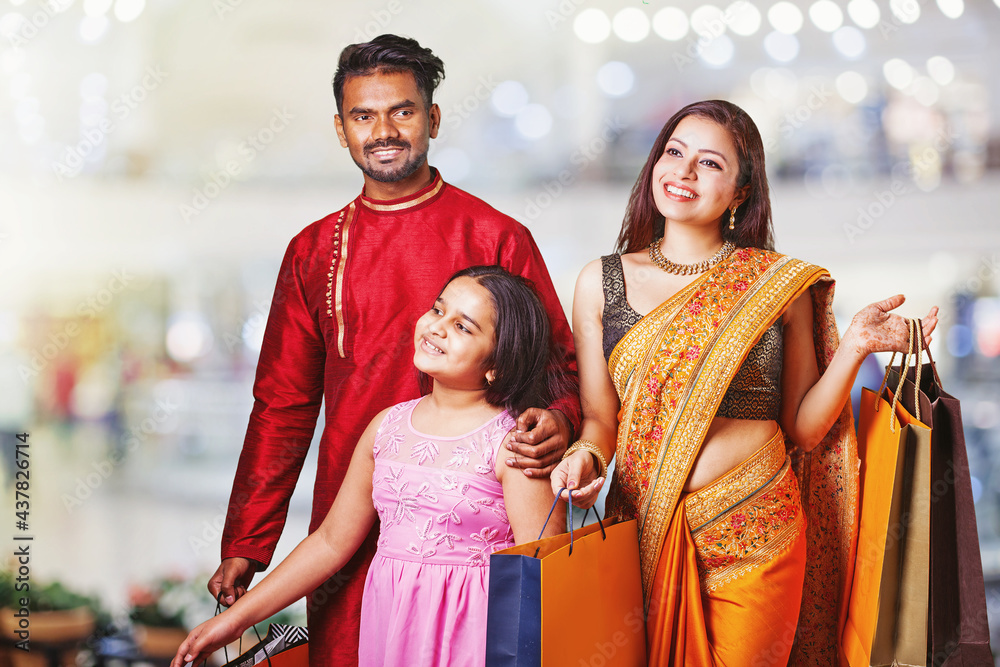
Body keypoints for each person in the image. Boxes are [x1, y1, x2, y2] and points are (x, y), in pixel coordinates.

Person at [210, 35, 580, 666]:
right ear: (341, 128)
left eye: (403, 111)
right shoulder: (313, 250)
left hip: (472, 531)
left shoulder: (495, 235)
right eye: (363, 115)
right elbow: (282, 403)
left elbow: (560, 370)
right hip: (346, 526)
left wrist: (561, 420)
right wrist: (249, 537)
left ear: (432, 118)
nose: (384, 130)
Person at [550, 100, 938, 665]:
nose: (682, 172)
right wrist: (585, 457)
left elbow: (804, 430)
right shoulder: (601, 281)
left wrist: (854, 345)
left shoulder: (776, 286)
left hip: (757, 524)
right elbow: (600, 420)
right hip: (646, 523)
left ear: (740, 193)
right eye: (674, 153)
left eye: (709, 164)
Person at [175, 267, 568, 667]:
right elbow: (330, 542)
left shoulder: (516, 444)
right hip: (391, 631)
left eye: (463, 327)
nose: (437, 327)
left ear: (498, 364)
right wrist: (236, 621)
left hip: (479, 642)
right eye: (438, 309)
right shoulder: (387, 427)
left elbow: (546, 575)